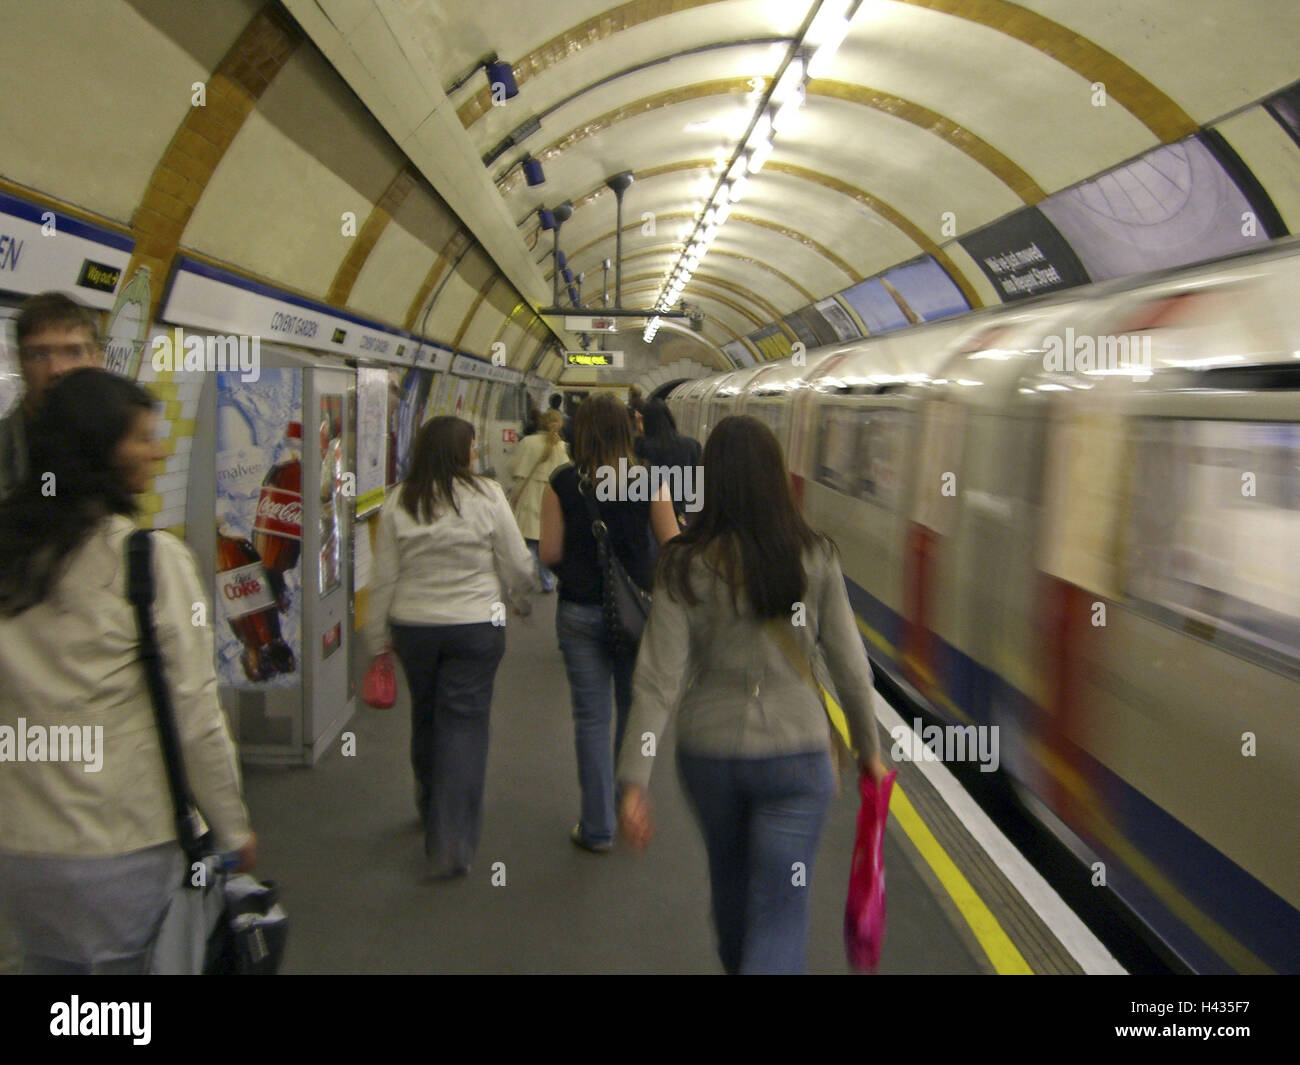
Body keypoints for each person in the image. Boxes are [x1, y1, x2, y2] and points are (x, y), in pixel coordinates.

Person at [0, 368, 256, 974]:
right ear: (100, 451)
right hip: (121, 841)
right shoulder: (147, 559)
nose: (158, 450)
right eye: (143, 437)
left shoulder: (9, 554)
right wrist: (231, 825)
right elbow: (195, 714)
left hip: (18, 846)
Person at [616, 415, 889, 974]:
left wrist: (634, 777)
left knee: (732, 893)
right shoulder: (815, 557)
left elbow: (657, 681)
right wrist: (870, 754)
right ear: (776, 477)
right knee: (781, 908)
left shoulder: (683, 564)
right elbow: (851, 670)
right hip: (796, 756)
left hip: (710, 755)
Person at [365, 415, 537, 879]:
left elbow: (383, 575)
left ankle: (428, 805)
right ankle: (452, 837)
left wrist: (376, 636)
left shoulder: (399, 499)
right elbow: (518, 562)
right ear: (463, 452)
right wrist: (520, 602)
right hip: (476, 625)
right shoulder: (487, 496)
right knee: (464, 723)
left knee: (425, 714)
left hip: (413, 628)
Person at [539, 392, 680, 852]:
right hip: (639, 615)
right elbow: (674, 548)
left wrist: (581, 577)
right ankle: (628, 803)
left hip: (579, 612)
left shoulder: (561, 481)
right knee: (634, 709)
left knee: (591, 719)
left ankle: (596, 826)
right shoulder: (652, 480)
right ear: (627, 431)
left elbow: (549, 554)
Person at [0, 292, 102, 501]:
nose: (56, 369)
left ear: (96, 359)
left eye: (73, 352)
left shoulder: (113, 440)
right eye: (38, 355)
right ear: (19, 363)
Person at [509, 409, 569, 593]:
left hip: (528, 497)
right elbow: (567, 475)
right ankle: (548, 582)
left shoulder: (527, 442)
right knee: (546, 542)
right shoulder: (562, 447)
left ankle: (524, 582)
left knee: (528, 546)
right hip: (551, 500)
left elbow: (512, 468)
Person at [635, 398, 703, 528]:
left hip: (651, 517)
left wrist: (640, 429)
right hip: (683, 513)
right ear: (669, 418)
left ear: (646, 422)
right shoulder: (692, 445)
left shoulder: (641, 447)